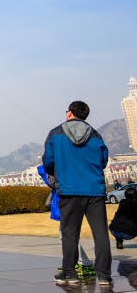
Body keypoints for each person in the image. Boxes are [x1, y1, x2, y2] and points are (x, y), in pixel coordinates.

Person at [43, 100, 112, 287]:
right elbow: (103, 160)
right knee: (100, 234)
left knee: (70, 234)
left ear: (70, 113)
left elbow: (48, 162)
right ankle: (104, 276)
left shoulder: (56, 133)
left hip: (69, 190)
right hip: (94, 191)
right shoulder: (96, 135)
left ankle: (70, 273)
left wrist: (60, 171)